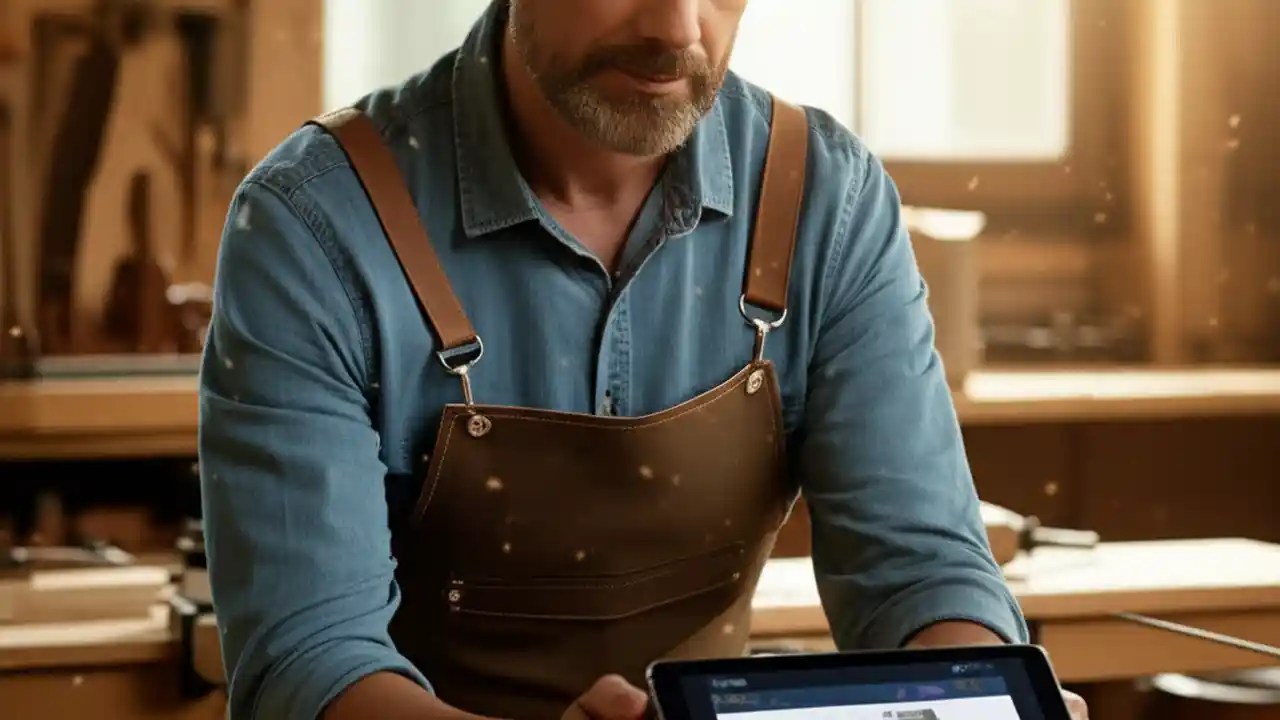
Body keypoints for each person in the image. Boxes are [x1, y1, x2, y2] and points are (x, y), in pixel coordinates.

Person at [199, 1, 1088, 719]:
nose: (677, 30)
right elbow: (305, 666)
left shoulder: (827, 201)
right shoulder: (314, 224)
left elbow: (922, 572)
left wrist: (979, 701)